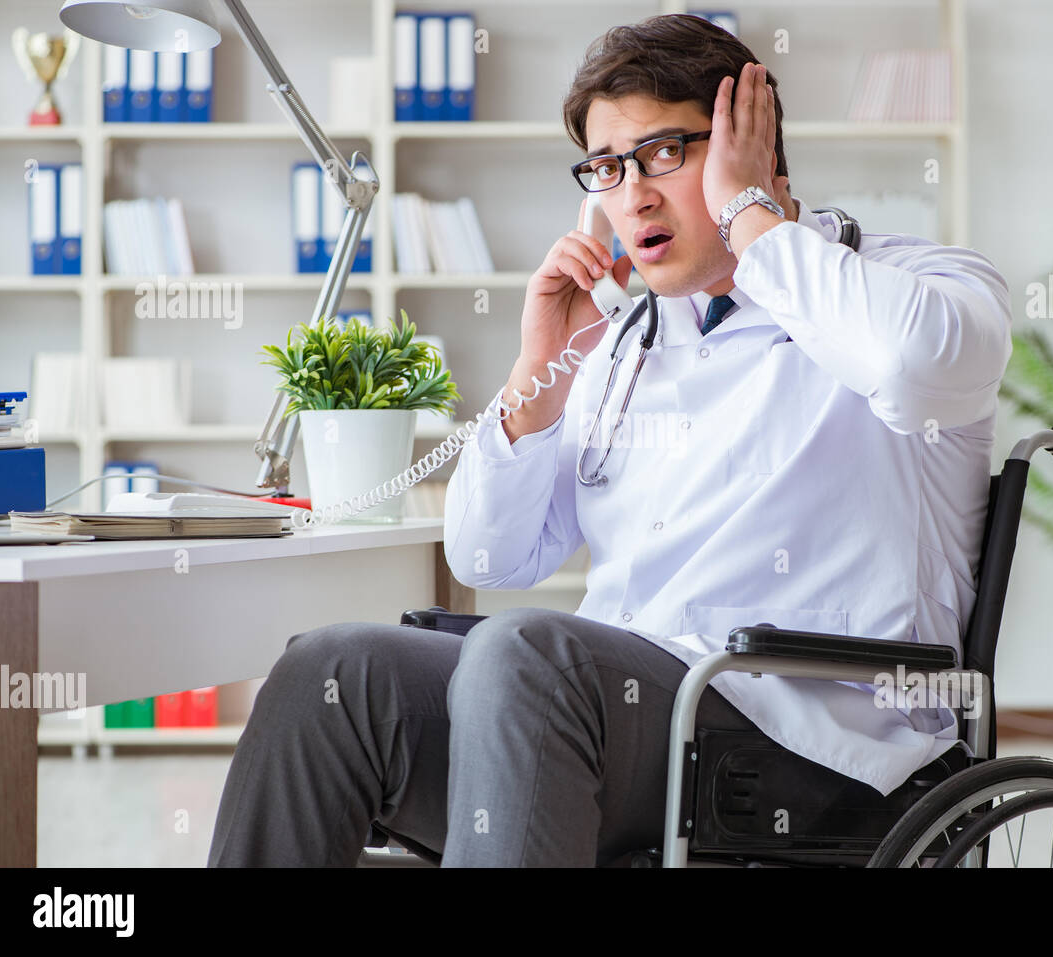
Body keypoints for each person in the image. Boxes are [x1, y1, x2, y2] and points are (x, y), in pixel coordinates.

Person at [208, 14, 1012, 868]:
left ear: (756, 142)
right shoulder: (623, 342)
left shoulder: (918, 283)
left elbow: (912, 363)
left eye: (666, 153)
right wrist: (536, 371)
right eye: (608, 168)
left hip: (819, 747)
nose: (632, 195)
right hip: (611, 719)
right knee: (329, 676)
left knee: (525, 654)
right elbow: (491, 554)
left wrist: (751, 221)